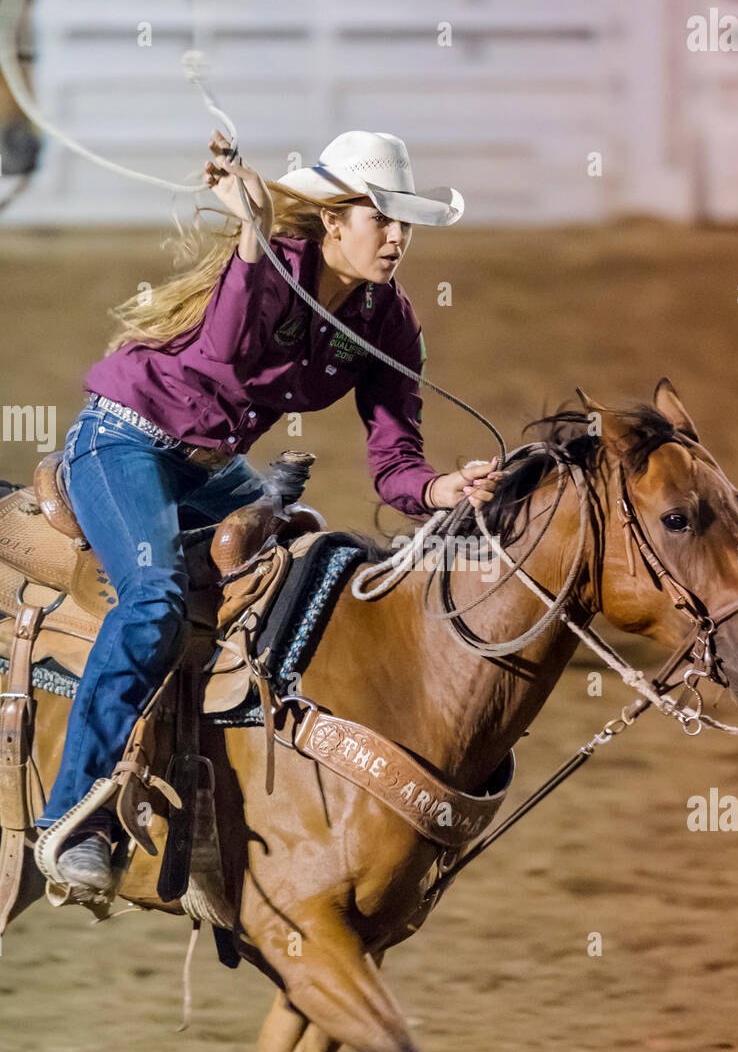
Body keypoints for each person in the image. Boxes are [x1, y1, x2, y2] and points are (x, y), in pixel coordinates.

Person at [36, 129, 504, 892]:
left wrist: (442, 490)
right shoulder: (273, 267)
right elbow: (223, 356)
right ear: (333, 221)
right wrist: (252, 247)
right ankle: (76, 818)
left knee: (304, 551)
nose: (396, 237)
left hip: (211, 466)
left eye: (404, 222)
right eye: (380, 218)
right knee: (153, 600)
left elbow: (394, 461)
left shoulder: (388, 320)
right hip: (125, 440)